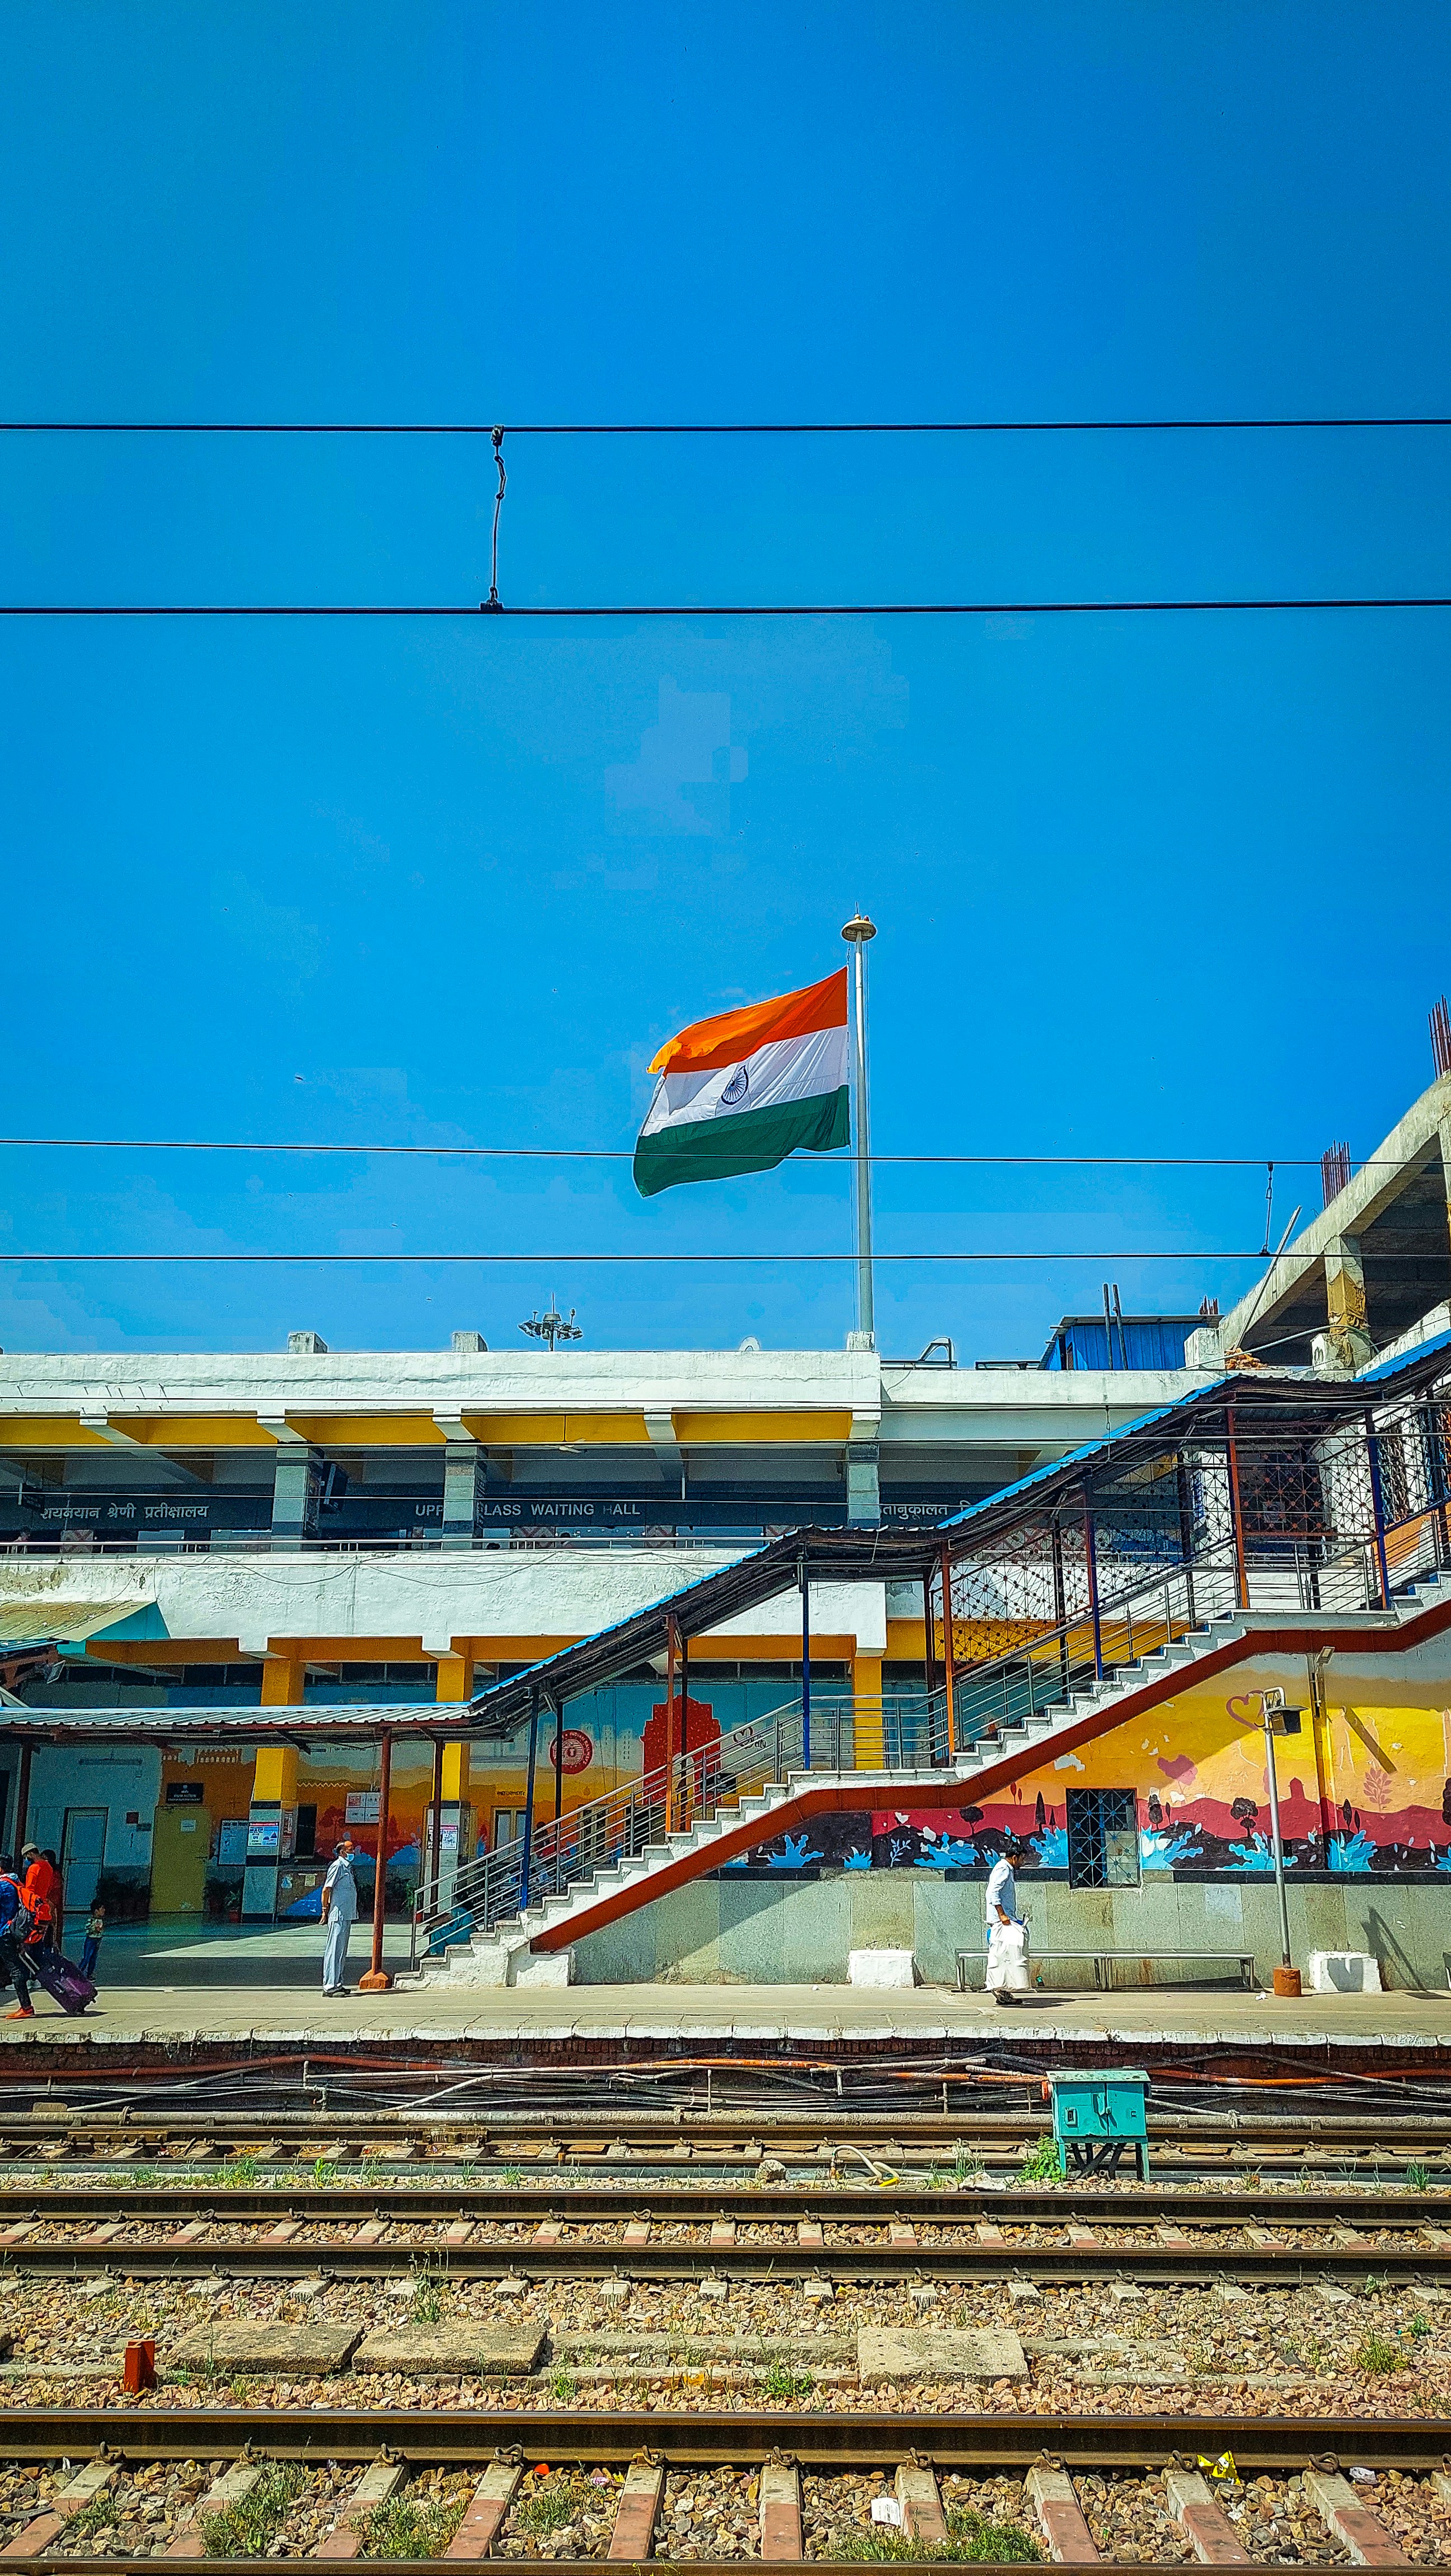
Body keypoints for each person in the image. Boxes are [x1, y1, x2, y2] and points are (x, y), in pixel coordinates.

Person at [984, 1848, 1029, 2007]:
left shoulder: (1006, 1869)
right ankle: (1000, 1989)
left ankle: (1004, 1991)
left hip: (1005, 1918)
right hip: (1001, 1920)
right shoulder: (1003, 1868)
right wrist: (1002, 1915)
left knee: (1006, 1955)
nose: (1023, 1863)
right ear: (1015, 1858)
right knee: (1002, 1955)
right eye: (1022, 1859)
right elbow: (992, 1893)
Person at [320, 1835, 359, 1995]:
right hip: (338, 1915)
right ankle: (329, 1986)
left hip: (347, 1914)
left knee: (342, 1952)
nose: (353, 1851)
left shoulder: (348, 1867)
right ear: (342, 1852)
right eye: (350, 1849)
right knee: (334, 1950)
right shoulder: (337, 1866)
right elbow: (327, 1889)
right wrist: (325, 1910)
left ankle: (338, 1983)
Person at [0, 1861, 36, 2019]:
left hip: (4, 1932)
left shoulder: (4, 1885)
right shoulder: (15, 1882)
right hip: (10, 1931)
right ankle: (26, 2006)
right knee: (15, 1967)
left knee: (15, 1968)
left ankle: (26, 2007)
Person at [79, 1902, 105, 1982]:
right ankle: (79, 1973)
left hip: (97, 1940)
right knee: (87, 1958)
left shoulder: (100, 1920)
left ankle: (90, 1974)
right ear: (96, 1911)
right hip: (91, 1940)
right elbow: (88, 1929)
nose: (104, 1910)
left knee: (93, 1958)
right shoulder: (91, 1920)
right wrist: (94, 1929)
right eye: (102, 1909)